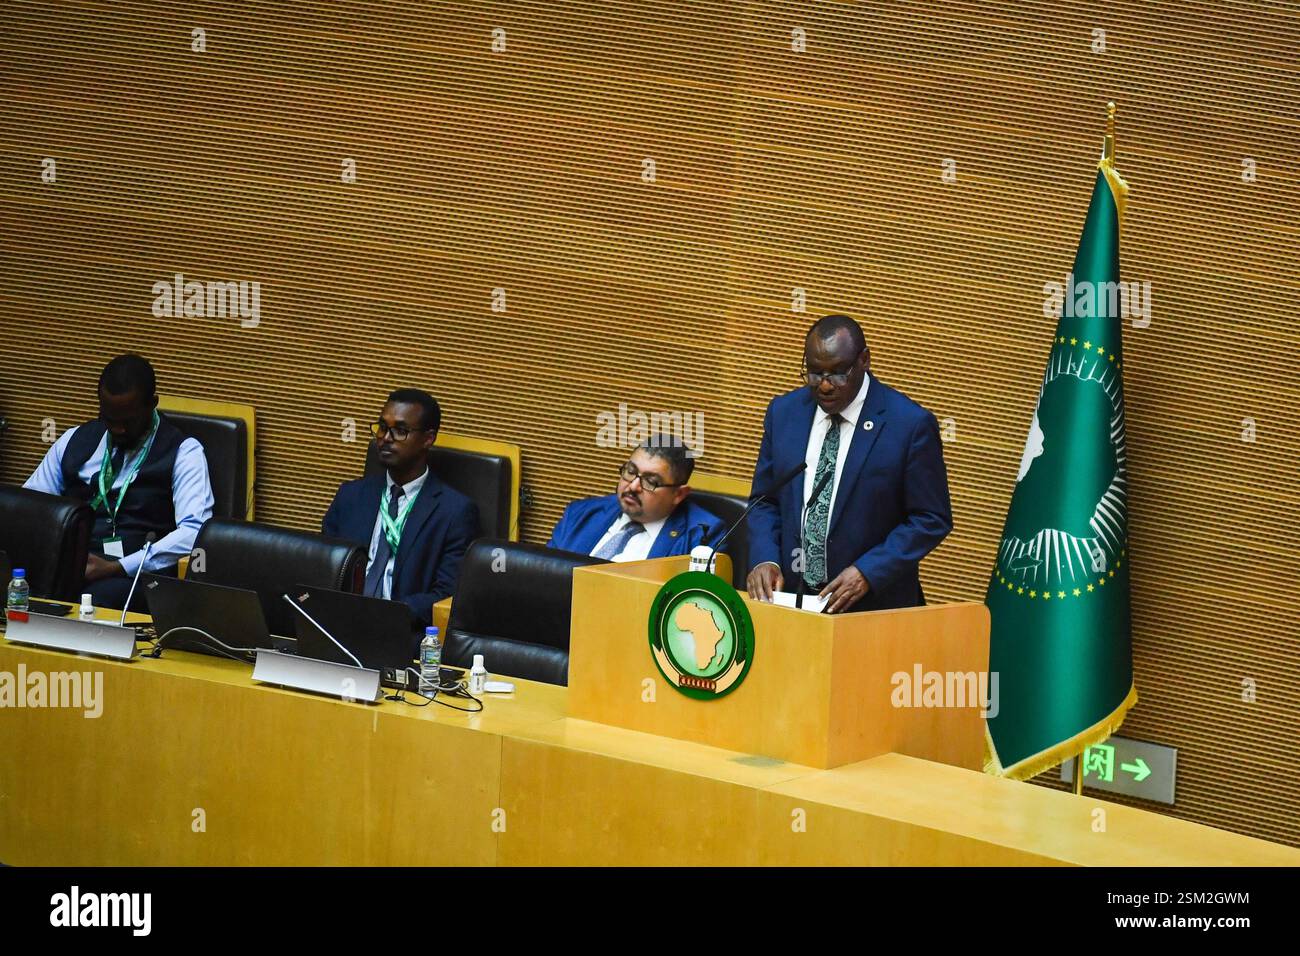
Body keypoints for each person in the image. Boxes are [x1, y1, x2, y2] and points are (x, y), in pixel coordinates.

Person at [746, 315, 953, 613]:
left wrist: (868, 572)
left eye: (838, 373)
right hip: (792, 603)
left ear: (864, 360)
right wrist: (765, 558)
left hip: (871, 609)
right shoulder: (784, 412)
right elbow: (764, 501)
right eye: (815, 373)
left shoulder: (909, 425)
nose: (826, 386)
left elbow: (931, 518)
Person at [24, 354, 215, 611]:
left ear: (152, 404)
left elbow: (195, 532)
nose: (118, 430)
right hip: (71, 566)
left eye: (128, 421)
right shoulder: (73, 440)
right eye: (109, 419)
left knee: (93, 602)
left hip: (133, 574)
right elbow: (29, 508)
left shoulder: (185, 452)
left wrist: (117, 566)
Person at [322, 388, 478, 625]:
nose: (385, 438)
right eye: (383, 427)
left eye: (400, 431)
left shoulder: (455, 513)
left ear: (428, 438)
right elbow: (323, 568)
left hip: (402, 632)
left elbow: (445, 595)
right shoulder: (350, 496)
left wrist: (383, 616)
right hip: (339, 623)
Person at [548, 436, 724, 560]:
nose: (633, 486)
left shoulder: (702, 536)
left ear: (678, 494)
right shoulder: (580, 514)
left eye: (650, 481)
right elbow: (545, 578)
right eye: (631, 472)